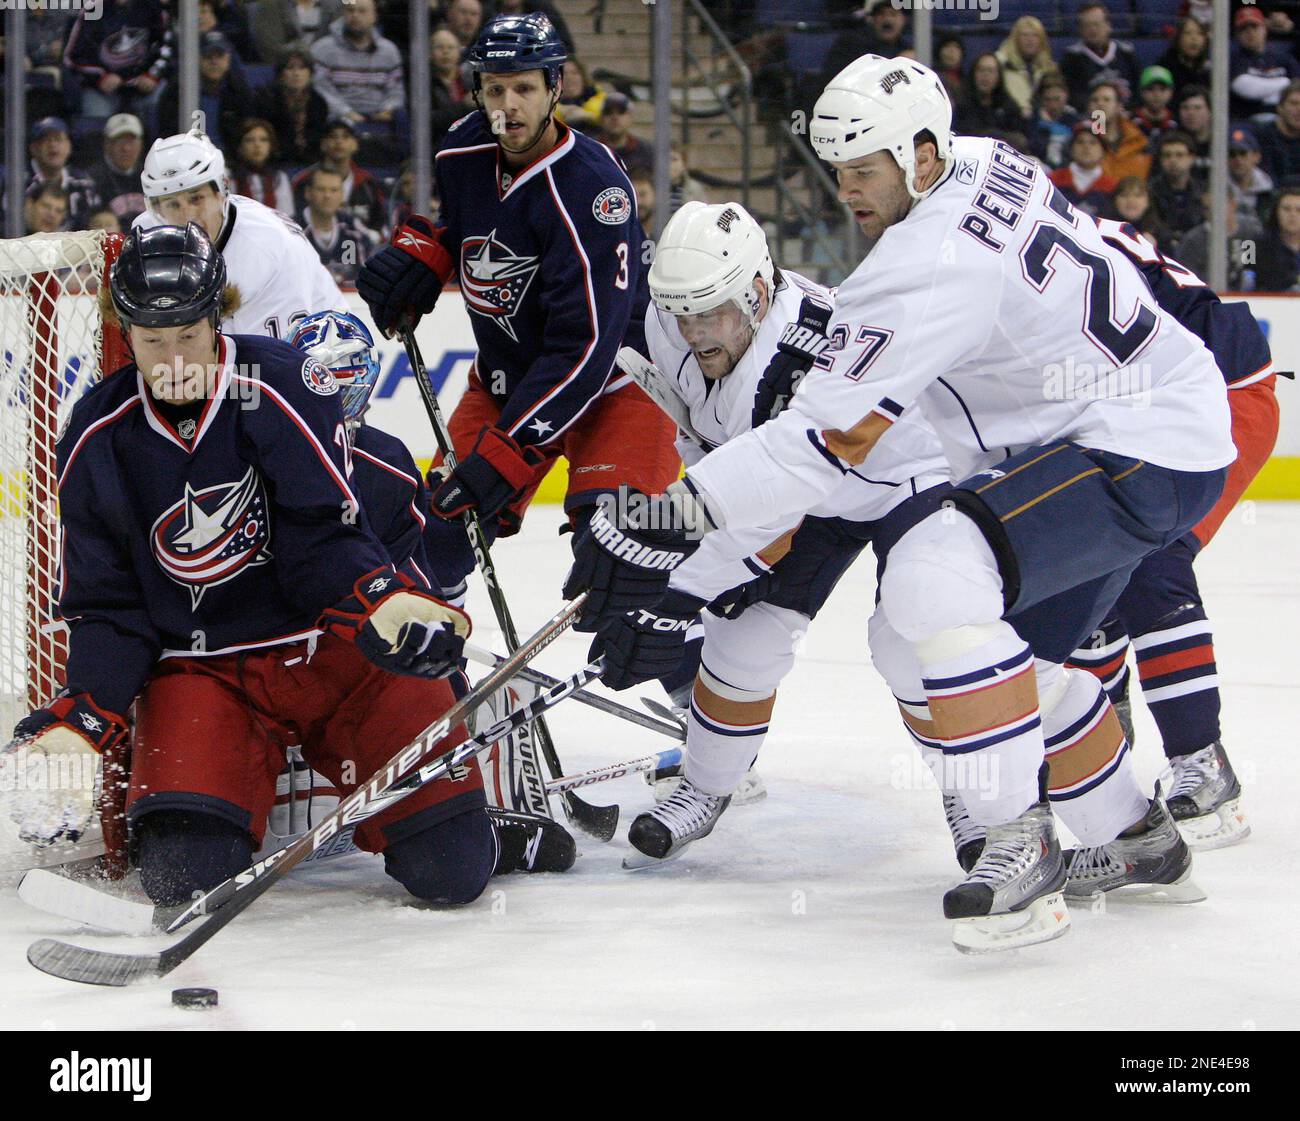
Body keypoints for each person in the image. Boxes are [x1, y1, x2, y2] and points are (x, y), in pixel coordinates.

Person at [565, 55, 1235, 952]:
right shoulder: (984, 156)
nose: (848, 190)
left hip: (1132, 439)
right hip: (1138, 420)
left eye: (866, 168)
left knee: (932, 580)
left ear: (922, 153)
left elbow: (819, 444)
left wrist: (659, 523)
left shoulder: (923, 264)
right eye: (838, 169)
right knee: (963, 654)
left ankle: (1013, 840)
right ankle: (1136, 836)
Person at [6, 222, 494, 909]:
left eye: (189, 335)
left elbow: (323, 537)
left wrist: (383, 599)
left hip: (335, 649)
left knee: (453, 869)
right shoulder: (96, 437)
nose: (173, 359)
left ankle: (416, 800)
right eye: (153, 340)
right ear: (126, 334)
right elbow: (109, 608)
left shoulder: (281, 384)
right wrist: (83, 715)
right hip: (206, 671)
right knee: (182, 876)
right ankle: (249, 788)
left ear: (217, 317)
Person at [604, 200, 950, 856]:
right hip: (815, 493)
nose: (695, 331)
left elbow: (769, 508)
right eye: (683, 314)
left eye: (711, 313)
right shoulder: (670, 324)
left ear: (758, 295)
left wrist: (666, 601)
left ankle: (976, 807)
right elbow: (708, 446)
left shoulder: (796, 356)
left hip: (911, 477)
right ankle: (705, 786)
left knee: (913, 638)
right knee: (742, 637)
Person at [356, 13, 679, 614]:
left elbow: (587, 346)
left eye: (524, 87)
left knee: (619, 562)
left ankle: (696, 697)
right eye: (495, 88)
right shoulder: (463, 147)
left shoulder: (593, 189)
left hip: (617, 388)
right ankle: (439, 670)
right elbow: (463, 226)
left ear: (556, 88)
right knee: (433, 529)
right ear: (476, 89)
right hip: (509, 381)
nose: (508, 105)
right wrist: (426, 256)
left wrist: (510, 451)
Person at [283, 309, 576, 874]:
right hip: (287, 669)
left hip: (359, 668)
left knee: (458, 676)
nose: (337, 387)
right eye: (324, 373)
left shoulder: (387, 465)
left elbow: (417, 593)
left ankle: (474, 811)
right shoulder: (269, 450)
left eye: (347, 371)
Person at [1065, 219, 1280, 851]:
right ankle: (1107, 731)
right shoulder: (1044, 232)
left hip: (1221, 400)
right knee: (1079, 560)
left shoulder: (1062, 251)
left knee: (1152, 560)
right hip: (1158, 404)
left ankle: (1204, 763)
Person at [134, 125, 347, 339]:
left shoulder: (267, 248)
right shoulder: (146, 234)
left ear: (221, 192)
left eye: (196, 199)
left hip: (327, 349)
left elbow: (273, 361)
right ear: (156, 209)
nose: (188, 216)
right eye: (172, 205)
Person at [63, 0, 167, 121]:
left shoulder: (154, 8)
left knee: (160, 103)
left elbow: (167, 48)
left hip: (144, 85)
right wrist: (100, 76)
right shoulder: (92, 10)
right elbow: (72, 57)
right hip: (101, 90)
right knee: (97, 114)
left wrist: (154, 74)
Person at [311, 0, 405, 126]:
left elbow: (396, 91)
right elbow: (321, 90)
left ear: (374, 16)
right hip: (337, 121)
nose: (355, 15)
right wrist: (346, 112)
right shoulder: (322, 49)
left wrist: (387, 109)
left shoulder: (389, 51)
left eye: (362, 11)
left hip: (380, 120)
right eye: (350, 10)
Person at [291, 118, 389, 235]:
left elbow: (380, 225)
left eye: (346, 137)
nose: (339, 141)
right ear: (323, 144)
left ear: (355, 144)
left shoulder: (369, 182)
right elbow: (294, 221)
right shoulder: (304, 180)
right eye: (333, 137)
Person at [300, 166, 381, 285]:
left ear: (342, 195)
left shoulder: (354, 230)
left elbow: (368, 281)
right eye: (321, 189)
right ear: (308, 193)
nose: (327, 195)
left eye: (334, 190)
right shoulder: (291, 231)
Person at [253, 49, 333, 166]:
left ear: (310, 73)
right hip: (274, 161)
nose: (296, 74)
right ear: (280, 74)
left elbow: (319, 137)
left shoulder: (318, 102)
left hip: (311, 162)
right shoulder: (265, 99)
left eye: (302, 68)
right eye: (290, 68)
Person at [1059, 3, 1140, 111]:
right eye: (1087, 25)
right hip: (1090, 119)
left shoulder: (1126, 54)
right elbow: (1070, 97)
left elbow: (1140, 90)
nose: (1093, 30)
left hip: (1126, 117)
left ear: (1108, 26)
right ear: (1080, 30)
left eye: (1097, 24)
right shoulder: (1072, 59)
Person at [25, 118, 98, 232]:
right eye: (46, 140)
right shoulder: (16, 182)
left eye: (58, 139)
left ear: (69, 146)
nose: (53, 145)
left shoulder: (83, 184)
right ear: (34, 148)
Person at [1229, 5, 1298, 122]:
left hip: (1283, 122)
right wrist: (1284, 82)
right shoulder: (1234, 59)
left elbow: (1297, 87)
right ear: (1237, 34)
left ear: (1264, 29)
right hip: (1247, 122)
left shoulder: (1283, 58)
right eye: (1244, 29)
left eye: (1254, 27)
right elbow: (1243, 87)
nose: (1250, 32)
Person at [1147, 131, 1205, 255]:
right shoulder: (1148, 192)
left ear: (1191, 158)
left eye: (1179, 155)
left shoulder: (1204, 193)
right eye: (1167, 155)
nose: (1172, 160)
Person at [89, 114, 148, 229]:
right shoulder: (92, 179)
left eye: (131, 141)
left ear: (141, 144)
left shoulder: (150, 176)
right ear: (107, 144)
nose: (126, 148)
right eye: (120, 141)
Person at [994, 15, 1058, 121]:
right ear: (1015, 39)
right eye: (1025, 35)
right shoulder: (1000, 63)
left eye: (1035, 35)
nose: (1030, 40)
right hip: (1010, 119)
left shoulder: (1050, 68)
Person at [229, 119, 296, 218]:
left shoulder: (279, 178)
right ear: (240, 146)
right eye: (250, 140)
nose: (257, 145)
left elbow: (286, 217)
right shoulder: (229, 176)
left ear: (271, 146)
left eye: (263, 140)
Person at [1047, 125, 1118, 218]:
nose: (1086, 147)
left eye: (1093, 142)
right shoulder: (1052, 180)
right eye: (1080, 142)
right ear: (1071, 148)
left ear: (1103, 150)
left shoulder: (1112, 187)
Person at [953, 54, 1024, 144]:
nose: (985, 75)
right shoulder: (962, 104)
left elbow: (1018, 136)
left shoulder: (1008, 105)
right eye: (981, 70)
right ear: (973, 74)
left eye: (991, 71)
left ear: (998, 76)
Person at [1088, 80, 1151, 183]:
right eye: (1095, 100)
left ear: (1119, 106)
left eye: (1106, 100)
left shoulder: (1139, 141)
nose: (1100, 104)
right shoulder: (1080, 140)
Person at [252, 0, 343, 64]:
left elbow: (341, 43)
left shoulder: (336, 4)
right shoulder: (270, 4)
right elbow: (270, 47)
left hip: (327, 71)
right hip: (286, 70)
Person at [1254, 185, 1300, 292]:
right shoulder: (1257, 246)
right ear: (1276, 212)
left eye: (1299, 210)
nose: (1292, 215)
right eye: (1286, 209)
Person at [596, 92, 653, 175]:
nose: (615, 117)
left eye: (621, 112)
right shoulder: (591, 150)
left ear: (631, 117)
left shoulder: (646, 151)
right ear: (601, 118)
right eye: (608, 112)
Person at [1227, 126, 1276, 224]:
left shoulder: (1268, 190)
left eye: (1243, 154)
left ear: (1256, 157)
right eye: (1232, 154)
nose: (1238, 160)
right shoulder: (1215, 186)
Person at [1256, 80, 1300, 184]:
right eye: (1294, 103)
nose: (1299, 109)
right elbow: (1268, 179)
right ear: (1280, 108)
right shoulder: (1264, 136)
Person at [1158, 16, 1210, 97]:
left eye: (1200, 33)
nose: (1194, 38)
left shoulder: (1208, 70)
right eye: (1188, 33)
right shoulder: (1164, 68)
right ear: (1178, 38)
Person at [1132, 66, 1175, 138]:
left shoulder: (1177, 123)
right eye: (1150, 89)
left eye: (1162, 89)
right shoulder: (1129, 122)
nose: (1157, 94)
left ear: (1171, 92)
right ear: (1142, 92)